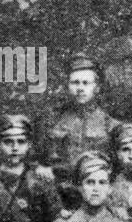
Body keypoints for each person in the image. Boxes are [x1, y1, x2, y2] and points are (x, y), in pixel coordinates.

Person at [44, 53, 118, 185]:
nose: (80, 88)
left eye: (86, 83)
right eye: (75, 83)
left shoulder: (110, 125)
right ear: (67, 86)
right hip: (60, 188)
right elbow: (39, 159)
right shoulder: (54, 120)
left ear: (97, 88)